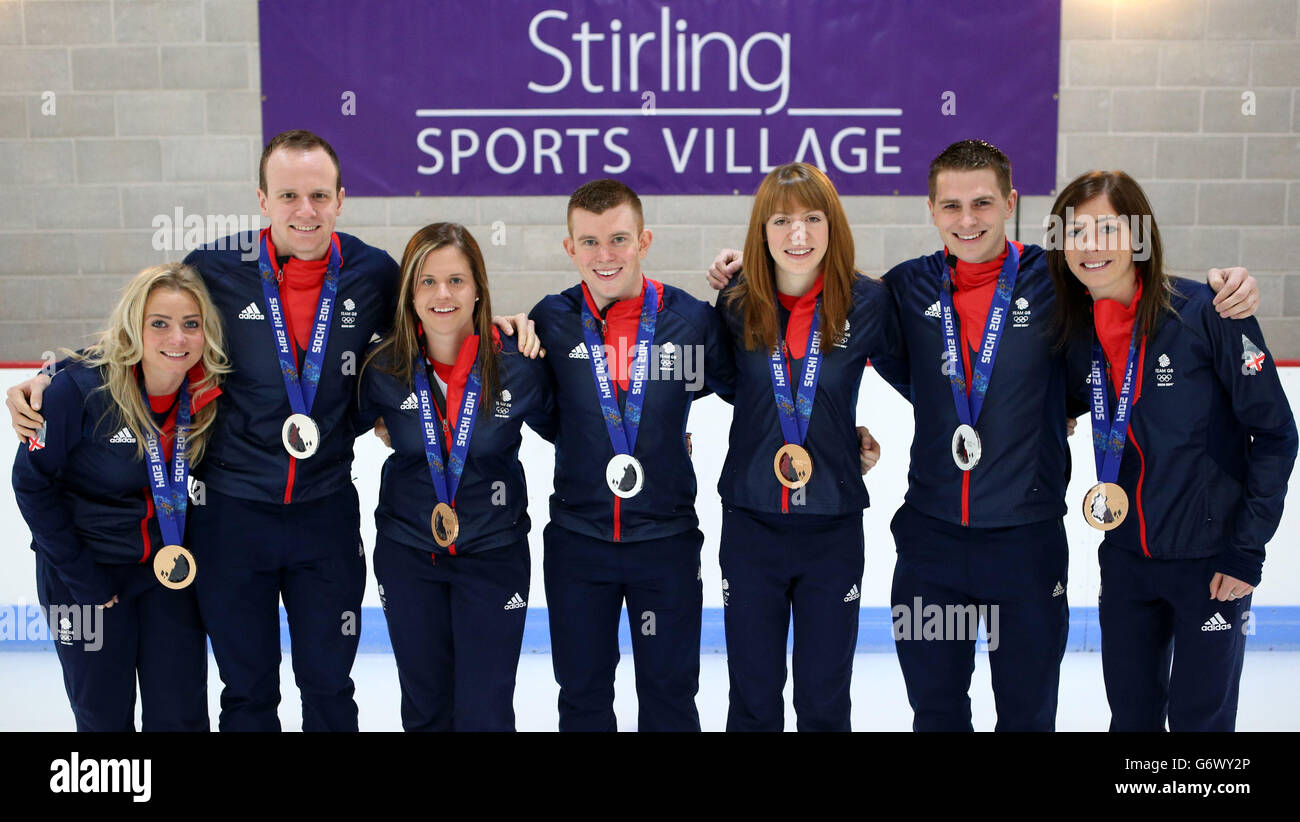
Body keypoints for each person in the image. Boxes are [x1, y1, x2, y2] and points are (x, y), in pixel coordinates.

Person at [706, 139, 1261, 731]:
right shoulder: (902, 291)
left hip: (1026, 544)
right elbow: (836, 346)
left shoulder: (1060, 280)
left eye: (983, 203)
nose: (967, 220)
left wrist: (1227, 288)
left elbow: (1130, 295)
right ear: (931, 208)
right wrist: (741, 273)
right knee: (937, 713)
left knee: (1027, 716)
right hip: (930, 543)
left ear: (1011, 202)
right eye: (951, 206)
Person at [1046, 169, 1296, 731]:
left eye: (1107, 228)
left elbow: (1277, 434)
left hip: (1211, 564)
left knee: (1198, 722)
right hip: (1127, 562)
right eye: (1076, 231)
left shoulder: (1210, 311)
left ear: (1139, 235)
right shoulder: (1075, 331)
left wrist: (1245, 552)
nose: (1091, 245)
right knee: (1130, 717)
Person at [527, 178, 737, 731]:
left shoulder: (691, 320)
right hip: (578, 542)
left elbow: (752, 389)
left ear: (644, 241)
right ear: (570, 248)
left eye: (618, 239)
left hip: (664, 542)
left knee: (670, 697)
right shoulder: (549, 319)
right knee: (582, 696)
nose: (605, 255)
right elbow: (548, 413)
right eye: (590, 242)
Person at [711, 162, 908, 731]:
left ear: (833, 224)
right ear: (762, 231)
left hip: (832, 525)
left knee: (824, 699)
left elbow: (929, 383)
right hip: (751, 523)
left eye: (812, 219)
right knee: (752, 695)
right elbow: (716, 390)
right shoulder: (734, 304)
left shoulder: (869, 303)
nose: (798, 236)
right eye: (781, 221)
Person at [12, 262, 229, 731]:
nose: (178, 338)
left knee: (181, 715)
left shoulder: (208, 390)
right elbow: (31, 483)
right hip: (83, 577)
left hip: (166, 575)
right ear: (134, 325)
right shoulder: (77, 392)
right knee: (103, 718)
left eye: (191, 324)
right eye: (160, 324)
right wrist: (84, 581)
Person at [356, 223, 554, 731]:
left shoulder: (518, 364)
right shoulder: (382, 367)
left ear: (478, 289)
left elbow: (579, 431)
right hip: (407, 553)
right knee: (425, 708)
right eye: (426, 281)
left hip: (493, 554)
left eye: (456, 281)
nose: (442, 294)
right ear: (409, 293)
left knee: (485, 711)